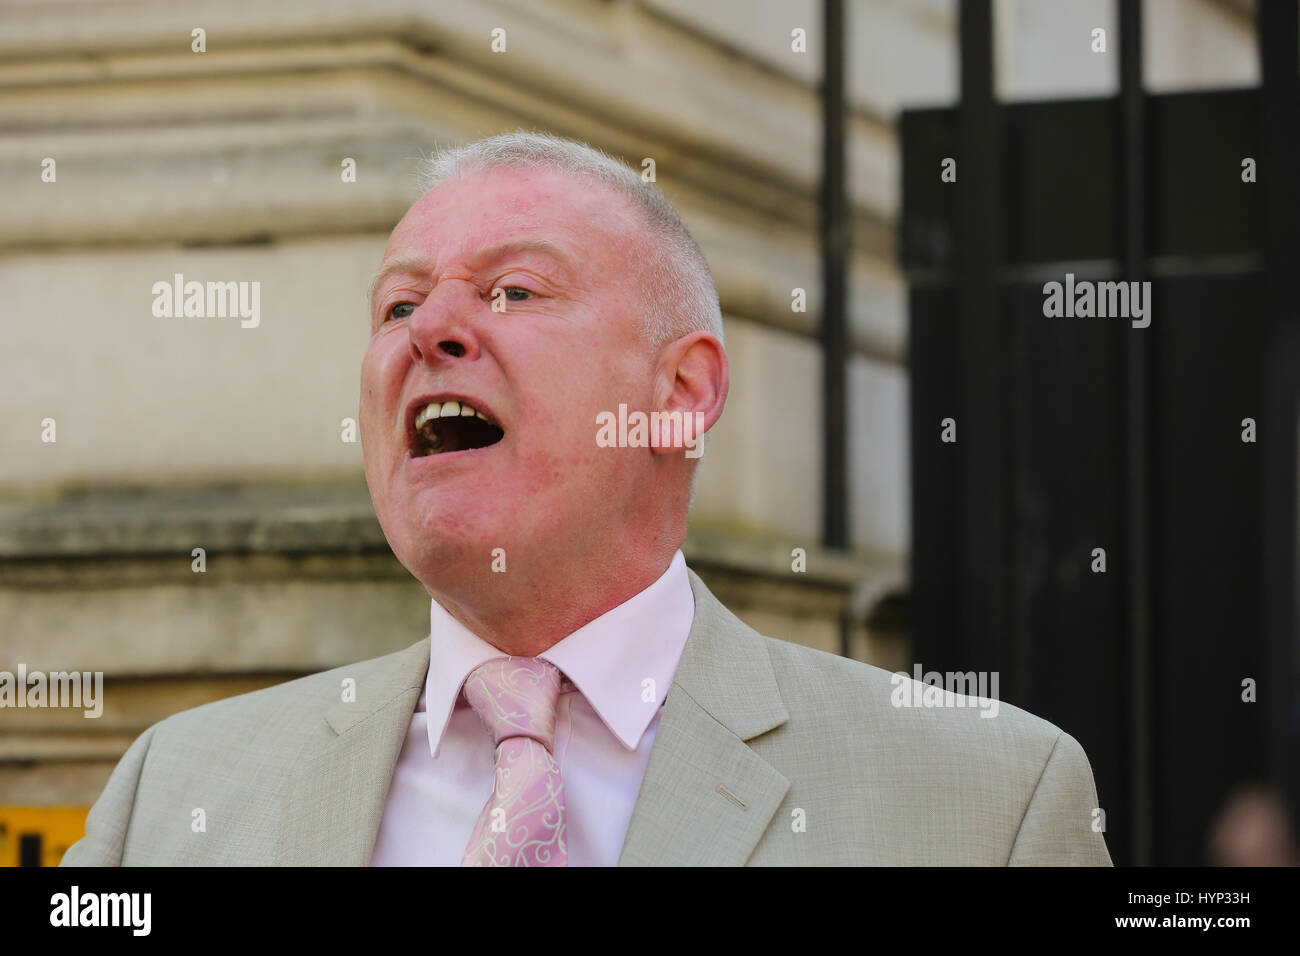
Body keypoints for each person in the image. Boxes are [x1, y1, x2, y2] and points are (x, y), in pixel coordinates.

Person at [62, 131, 1111, 866]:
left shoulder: (989, 801)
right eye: (399, 303)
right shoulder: (175, 784)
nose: (432, 330)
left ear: (680, 393)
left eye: (514, 290)